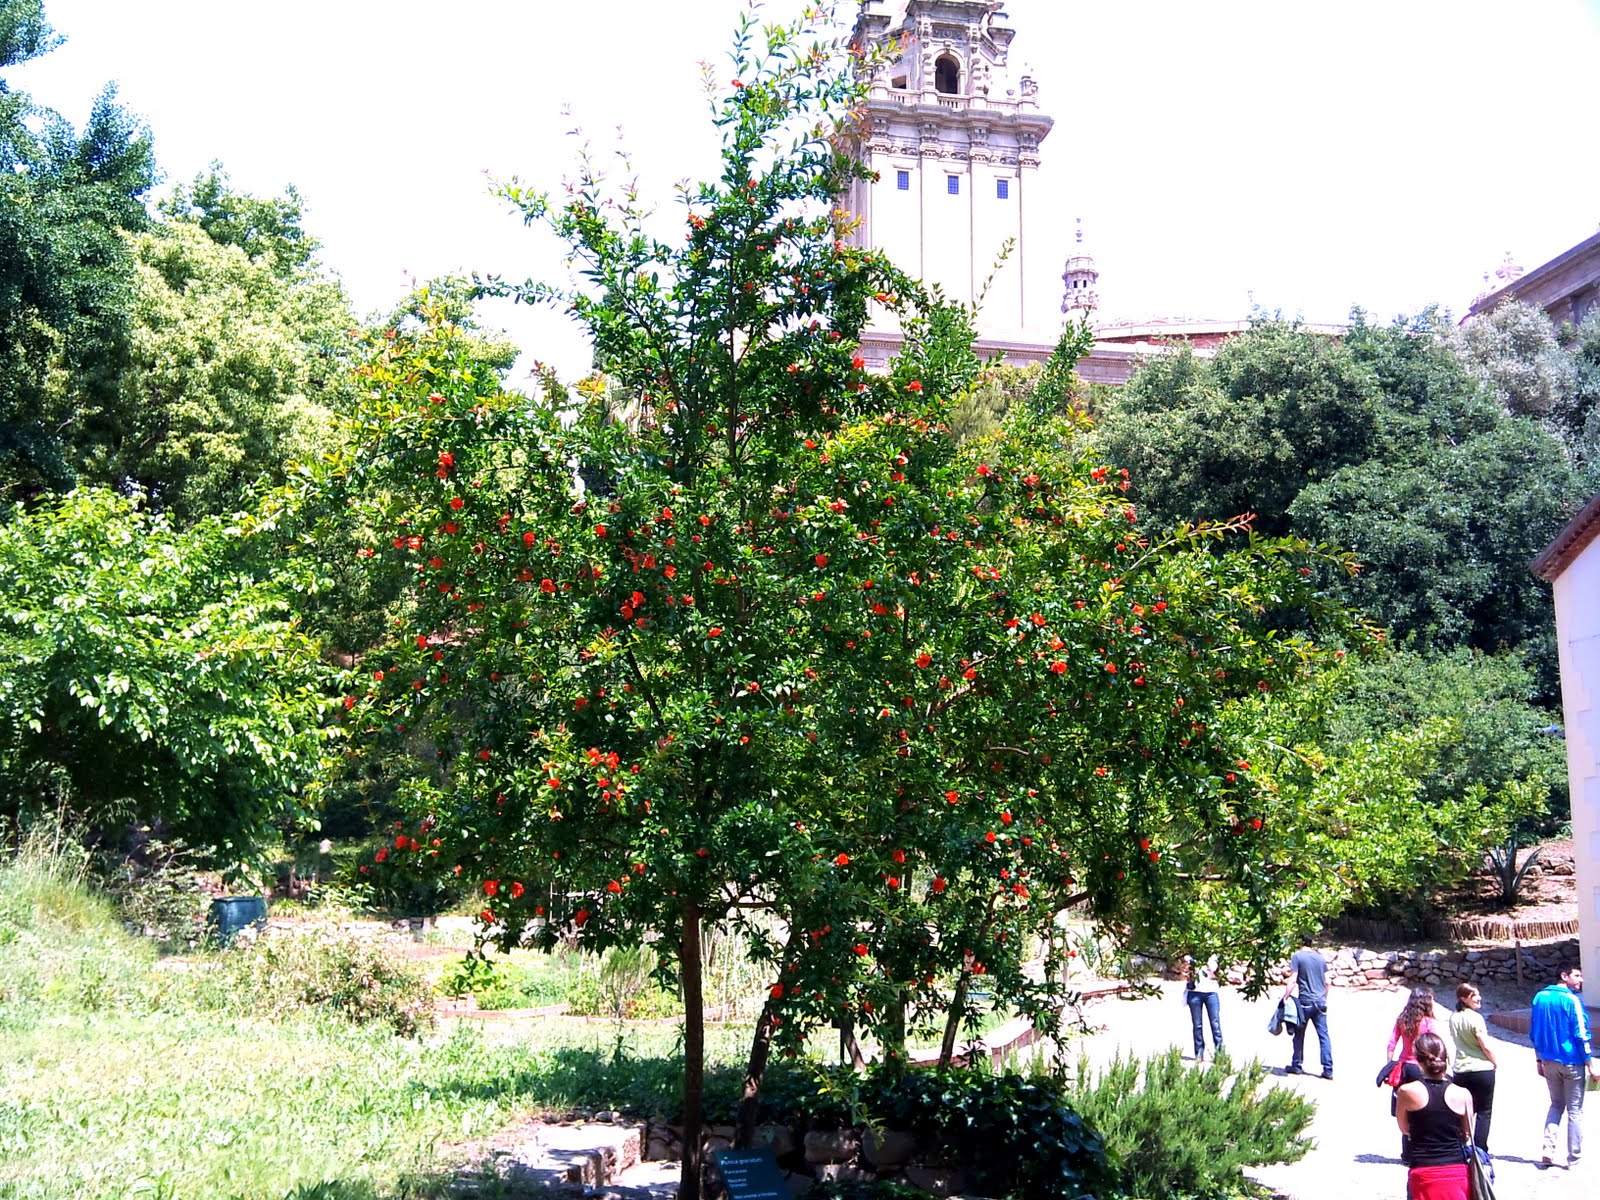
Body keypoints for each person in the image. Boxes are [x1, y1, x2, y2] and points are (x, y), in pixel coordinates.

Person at [1529, 965, 1598, 1170]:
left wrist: (1538, 1060)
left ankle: (1547, 1151)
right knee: (1575, 1111)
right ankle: (1574, 1159)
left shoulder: (1539, 998)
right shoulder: (1572, 1000)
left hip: (1548, 1061)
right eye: (1577, 975)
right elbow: (1581, 1033)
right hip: (1571, 1062)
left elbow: (1534, 1033)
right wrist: (1590, 1063)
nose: (1581, 980)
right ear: (1564, 976)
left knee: (1556, 1105)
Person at [1394, 1032, 1474, 1200]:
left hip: (1423, 1170)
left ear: (1418, 1060)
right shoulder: (1463, 1094)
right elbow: (1467, 1134)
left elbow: (1404, 1128)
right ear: (1446, 1059)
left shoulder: (1407, 1091)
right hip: (1457, 1170)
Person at [1448, 982, 1496, 1152]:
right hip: (1481, 1067)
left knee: (1462, 1110)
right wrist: (1495, 1061)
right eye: (1474, 995)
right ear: (1464, 998)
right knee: (1484, 1111)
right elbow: (1484, 1044)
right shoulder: (1475, 1018)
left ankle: (1459, 1145)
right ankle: (1480, 1149)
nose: (1478, 998)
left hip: (1461, 1068)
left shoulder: (1454, 1017)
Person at [1282, 940, 1332, 1079]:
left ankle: (1297, 1065)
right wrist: (1324, 998)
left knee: (1299, 1034)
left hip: (1305, 1001)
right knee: (1323, 1036)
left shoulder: (1297, 956)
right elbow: (1328, 981)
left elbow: (1293, 979)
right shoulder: (1320, 958)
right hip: (1320, 1002)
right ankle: (1328, 1069)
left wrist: (1286, 997)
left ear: (1299, 941)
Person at [1184, 953, 1224, 1063]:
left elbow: (1216, 971)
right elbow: (1184, 971)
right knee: (1197, 1025)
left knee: (1215, 1024)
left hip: (1211, 992)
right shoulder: (1189, 956)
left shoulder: (1214, 956)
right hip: (1194, 992)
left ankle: (1220, 1054)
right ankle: (1199, 1053)